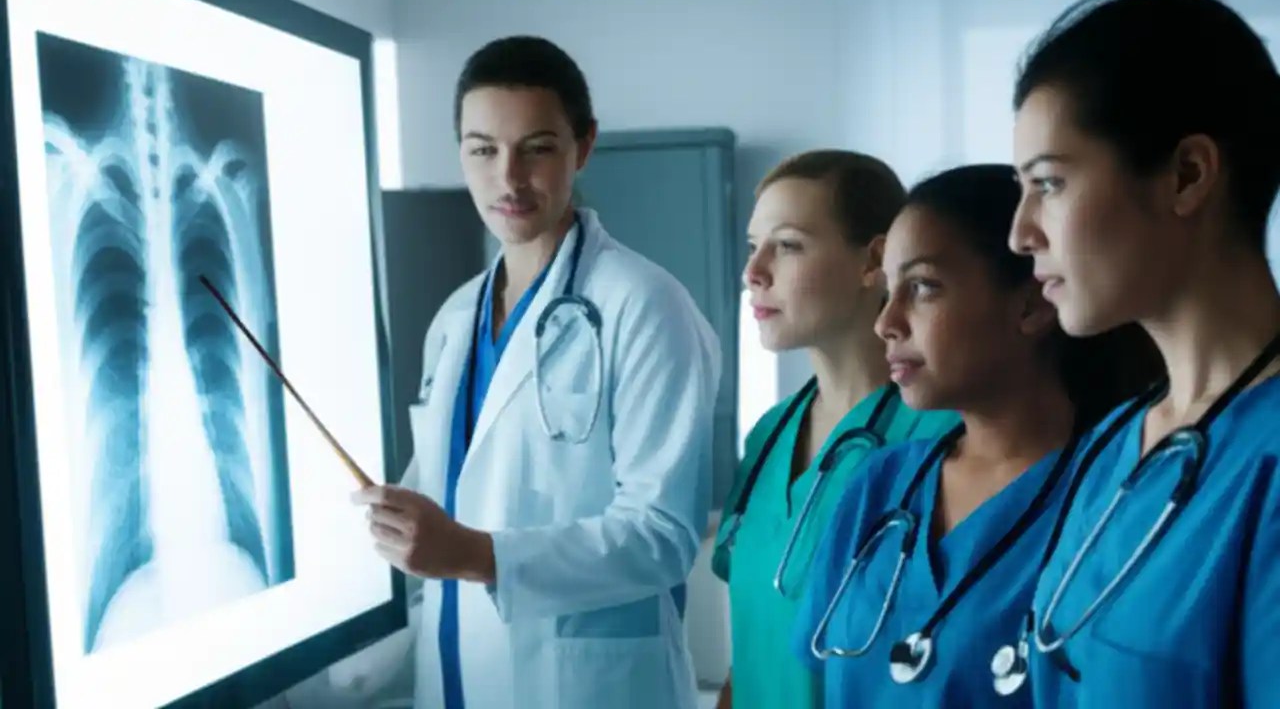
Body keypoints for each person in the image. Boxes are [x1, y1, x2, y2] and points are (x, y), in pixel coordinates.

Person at [351, 36, 721, 709]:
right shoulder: (456, 317)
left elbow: (664, 536)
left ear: (583, 146)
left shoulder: (644, 304)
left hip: (589, 688)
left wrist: (477, 554)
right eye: (484, 149)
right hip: (462, 675)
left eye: (538, 148)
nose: (509, 178)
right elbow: (455, 486)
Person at [790, 164, 1163, 707]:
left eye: (922, 288)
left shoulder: (1110, 501)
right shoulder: (880, 486)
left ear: (1031, 304)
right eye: (889, 292)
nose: (886, 323)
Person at [1007, 0, 1280, 705]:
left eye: (1049, 184)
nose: (1021, 233)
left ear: (1187, 175)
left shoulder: (1268, 465)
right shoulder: (1112, 449)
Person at [710, 150, 960, 709]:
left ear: (874, 259)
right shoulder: (771, 434)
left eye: (789, 245)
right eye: (754, 247)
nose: (753, 272)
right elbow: (754, 641)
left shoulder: (942, 437)